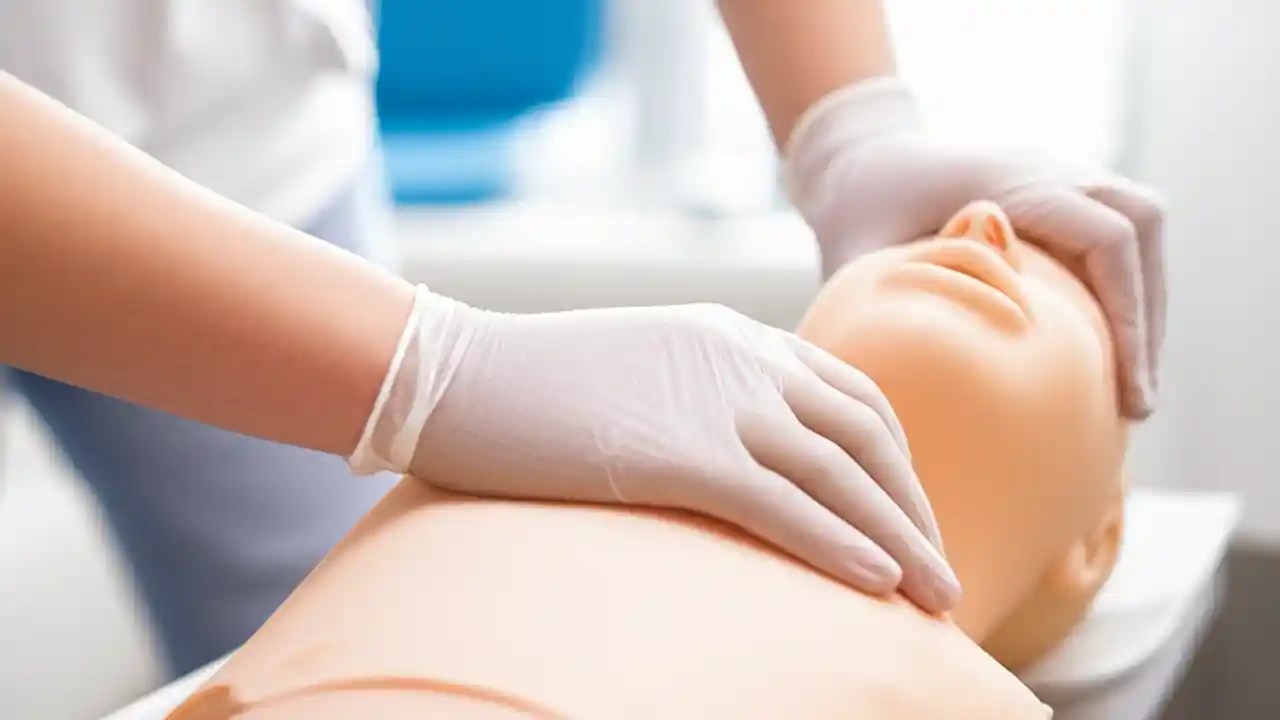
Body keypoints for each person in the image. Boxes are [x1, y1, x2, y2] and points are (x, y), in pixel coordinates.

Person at [0, 0, 1164, 677]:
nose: (976, 226)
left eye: (1025, 280)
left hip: (229, 133)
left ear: (1095, 547)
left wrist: (845, 120)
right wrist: (433, 375)